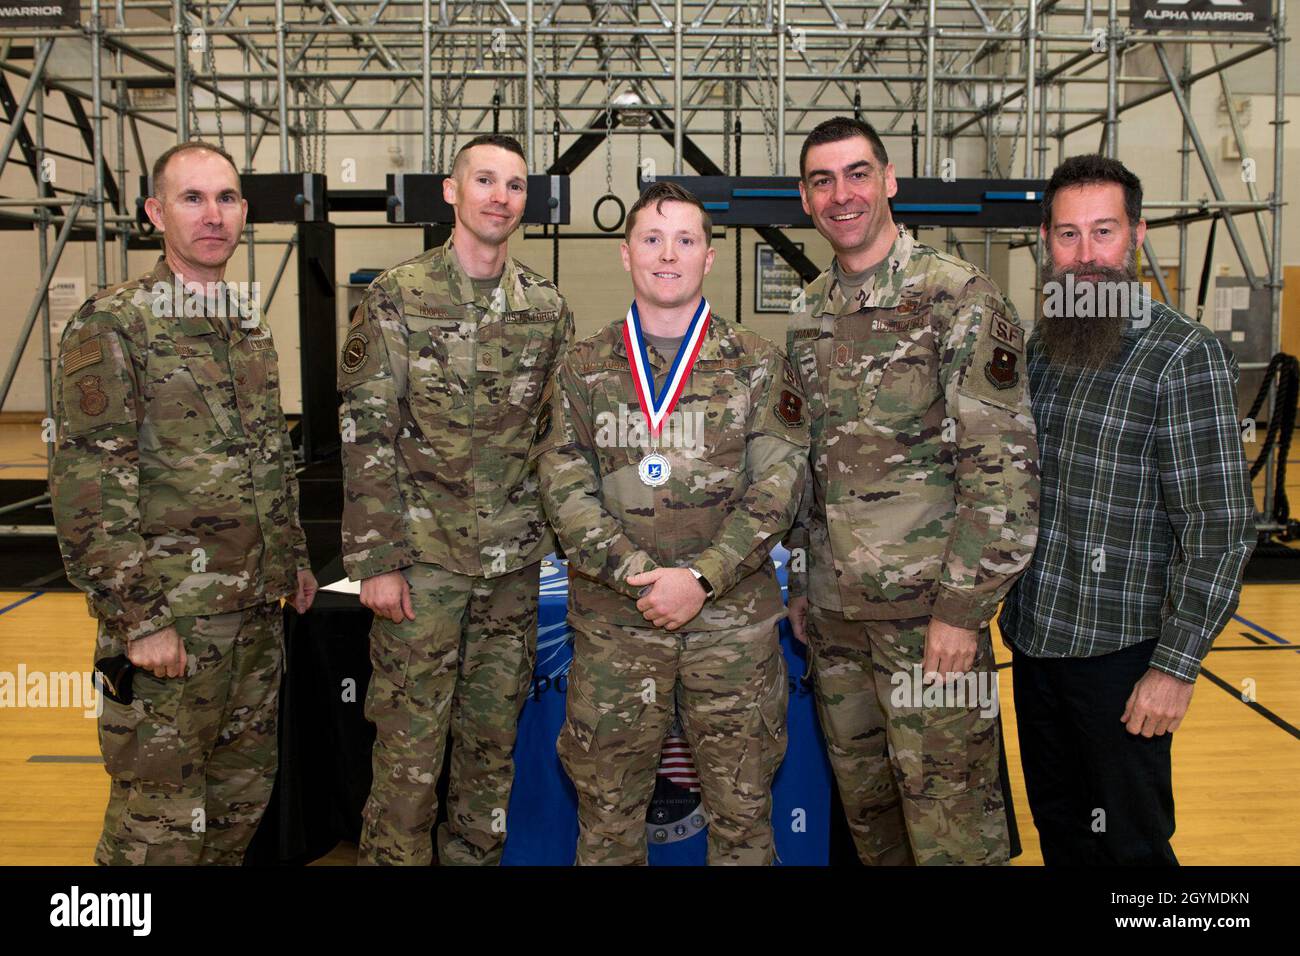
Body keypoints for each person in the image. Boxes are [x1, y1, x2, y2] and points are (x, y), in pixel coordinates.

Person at [50, 140, 317, 865]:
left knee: (232, 817)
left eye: (227, 199)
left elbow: (266, 457)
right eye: (192, 199)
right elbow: (89, 486)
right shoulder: (115, 325)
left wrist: (289, 556)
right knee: (156, 831)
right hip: (171, 628)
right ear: (154, 213)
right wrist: (138, 619)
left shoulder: (246, 328)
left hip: (252, 623)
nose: (213, 216)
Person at [784, 116, 1040, 865]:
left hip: (931, 628)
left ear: (889, 180)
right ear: (805, 198)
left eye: (858, 173)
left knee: (954, 828)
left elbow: (1004, 471)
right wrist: (802, 576)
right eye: (823, 181)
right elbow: (806, 465)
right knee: (874, 826)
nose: (843, 195)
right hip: (836, 622)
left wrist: (963, 613)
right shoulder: (808, 310)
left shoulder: (957, 295)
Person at [532, 181, 809, 865]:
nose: (667, 255)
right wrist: (636, 574)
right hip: (617, 632)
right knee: (606, 826)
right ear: (626, 254)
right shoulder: (584, 367)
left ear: (708, 257)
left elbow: (778, 489)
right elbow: (562, 484)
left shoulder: (757, 364)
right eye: (652, 240)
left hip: (731, 636)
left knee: (744, 823)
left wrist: (700, 579)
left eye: (684, 240)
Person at [998, 154, 1257, 866]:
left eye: (1103, 232)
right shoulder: (1042, 348)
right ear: (1046, 242)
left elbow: (1221, 528)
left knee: (1132, 848)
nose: (1086, 256)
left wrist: (1174, 669)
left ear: (1137, 236)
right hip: (1036, 640)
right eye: (1068, 234)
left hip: (1123, 658)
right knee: (1063, 831)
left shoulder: (1183, 356)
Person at [339, 133, 574, 865]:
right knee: (408, 770)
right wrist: (376, 559)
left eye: (512, 185)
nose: (499, 197)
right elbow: (364, 431)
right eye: (484, 181)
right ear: (452, 191)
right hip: (421, 571)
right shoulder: (398, 297)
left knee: (487, 763)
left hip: (509, 574)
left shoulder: (546, 307)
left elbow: (557, 440)